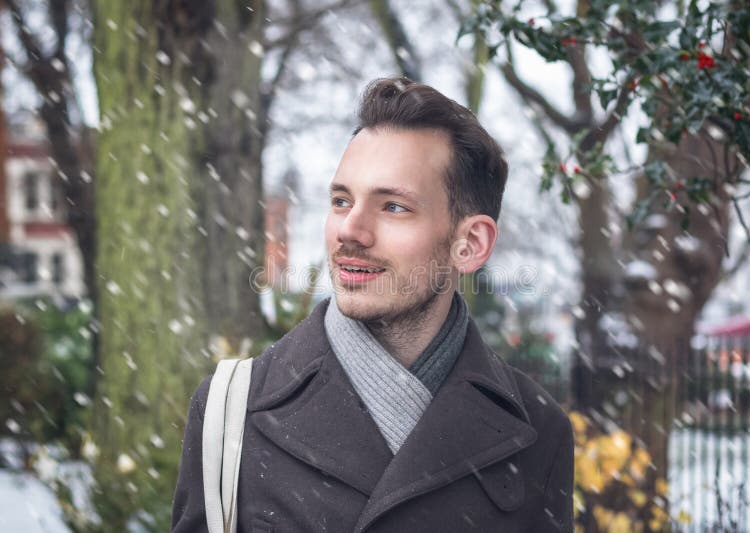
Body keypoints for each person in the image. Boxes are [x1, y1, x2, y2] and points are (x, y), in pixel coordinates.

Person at [172, 77, 574, 532]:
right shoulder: (232, 410)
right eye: (342, 200)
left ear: (470, 243)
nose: (350, 230)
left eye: (393, 207)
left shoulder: (539, 431)